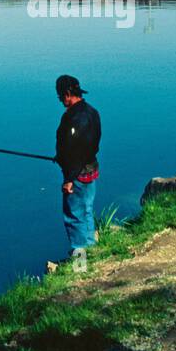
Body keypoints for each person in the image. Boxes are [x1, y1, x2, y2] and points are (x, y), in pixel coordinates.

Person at [54, 74, 100, 270]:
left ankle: (80, 265)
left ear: (67, 94)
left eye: (60, 97)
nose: (60, 101)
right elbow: (90, 146)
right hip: (91, 169)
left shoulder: (73, 118)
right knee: (87, 211)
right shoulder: (92, 112)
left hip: (77, 175)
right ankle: (94, 253)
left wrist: (69, 179)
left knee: (74, 216)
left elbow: (75, 151)